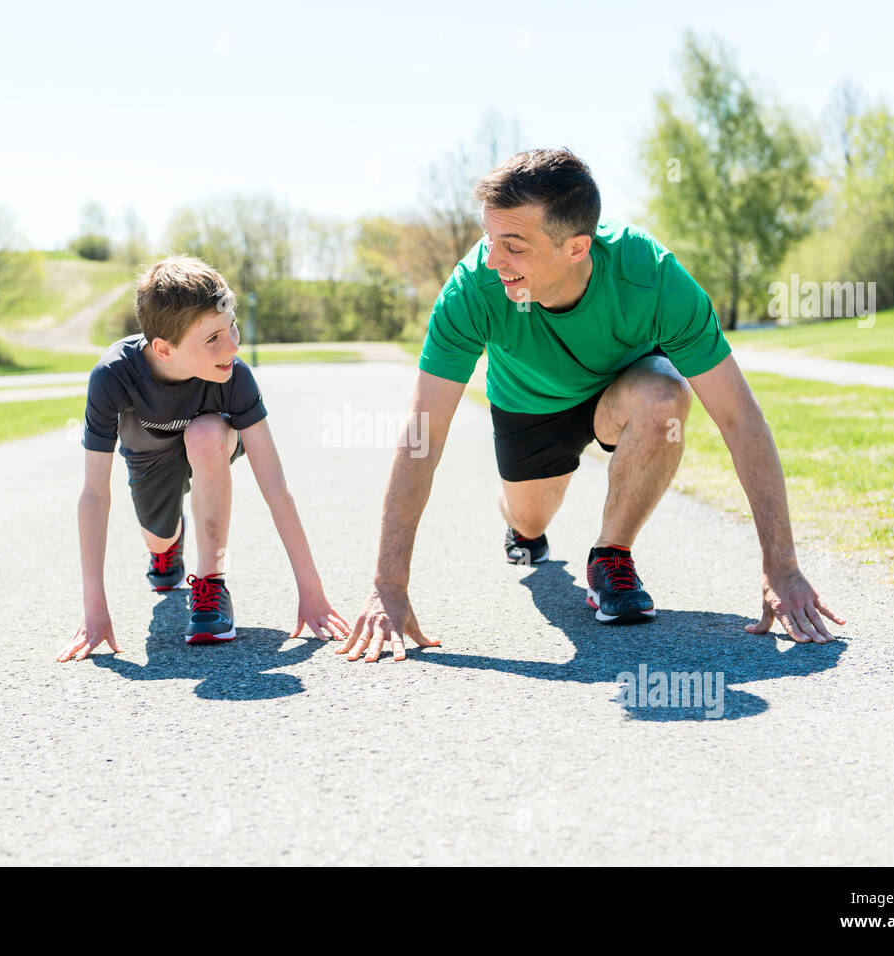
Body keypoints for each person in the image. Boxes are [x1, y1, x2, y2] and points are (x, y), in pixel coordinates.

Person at [339, 147, 845, 663]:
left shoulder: (653, 277)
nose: (493, 260)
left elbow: (740, 418)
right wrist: (387, 585)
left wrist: (781, 566)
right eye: (490, 240)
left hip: (621, 389)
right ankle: (519, 523)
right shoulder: (473, 289)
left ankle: (611, 555)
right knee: (531, 521)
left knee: (666, 394)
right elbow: (423, 436)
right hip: (529, 408)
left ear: (577, 247)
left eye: (513, 245)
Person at [56, 255, 349, 660]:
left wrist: (312, 591)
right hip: (149, 447)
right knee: (157, 533)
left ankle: (210, 584)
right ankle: (166, 546)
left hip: (209, 437)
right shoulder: (112, 376)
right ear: (164, 348)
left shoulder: (234, 375)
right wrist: (94, 611)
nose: (231, 345)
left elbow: (274, 483)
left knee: (207, 432)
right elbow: (94, 494)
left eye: (232, 327)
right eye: (212, 338)